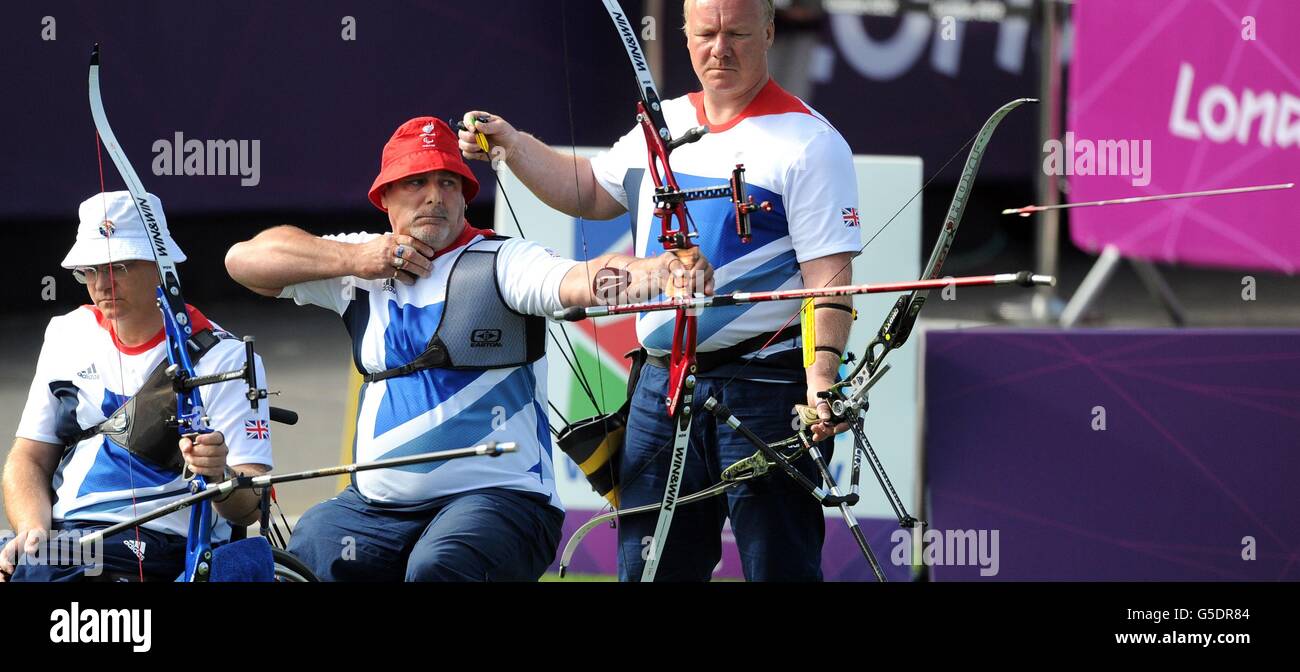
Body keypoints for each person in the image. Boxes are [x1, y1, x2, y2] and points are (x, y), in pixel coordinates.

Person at [456, 0, 860, 581]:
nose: (720, 48)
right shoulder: (663, 122)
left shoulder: (809, 142)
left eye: (739, 33)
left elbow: (830, 279)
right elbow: (590, 190)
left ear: (770, 32)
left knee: (780, 564)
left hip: (765, 388)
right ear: (685, 34)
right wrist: (513, 146)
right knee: (651, 567)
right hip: (661, 387)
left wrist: (823, 380)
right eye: (706, 33)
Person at [224, 116, 712, 581]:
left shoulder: (504, 260)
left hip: (502, 504)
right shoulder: (360, 265)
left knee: (441, 565)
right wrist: (357, 257)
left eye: (449, 183)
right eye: (417, 182)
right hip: (376, 509)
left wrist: (660, 274)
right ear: (385, 197)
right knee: (306, 556)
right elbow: (243, 261)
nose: (435, 196)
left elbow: (576, 282)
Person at [1, 191, 273, 582]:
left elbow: (251, 506)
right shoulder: (66, 332)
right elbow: (29, 458)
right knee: (33, 563)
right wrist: (31, 533)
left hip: (153, 543)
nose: (102, 285)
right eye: (90, 270)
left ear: (161, 265)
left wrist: (218, 475)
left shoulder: (222, 356)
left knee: (51, 569)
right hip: (65, 540)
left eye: (120, 267)